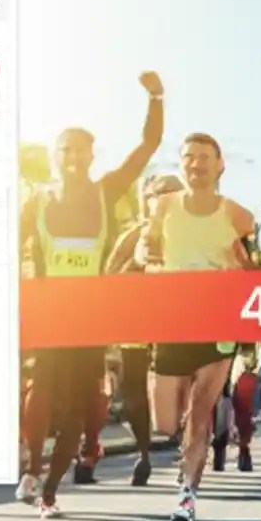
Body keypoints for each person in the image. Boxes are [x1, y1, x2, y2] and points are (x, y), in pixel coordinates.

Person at [16, 71, 164, 517]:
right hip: (48, 312)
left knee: (81, 406)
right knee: (40, 390)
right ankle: (32, 468)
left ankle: (49, 492)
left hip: (88, 317)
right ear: (56, 157)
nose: (73, 157)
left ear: (91, 155)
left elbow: (148, 146)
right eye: (65, 150)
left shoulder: (105, 191)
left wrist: (155, 97)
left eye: (81, 149)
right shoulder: (36, 202)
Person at [136, 132, 258, 521]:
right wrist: (151, 264)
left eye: (204, 157)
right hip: (171, 320)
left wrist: (239, 263)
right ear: (182, 163)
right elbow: (144, 251)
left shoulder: (239, 215)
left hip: (217, 321)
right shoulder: (164, 206)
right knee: (166, 422)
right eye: (189, 157)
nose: (196, 164)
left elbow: (251, 271)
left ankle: (187, 494)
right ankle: (185, 443)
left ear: (220, 164)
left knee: (201, 410)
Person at [104, 173, 186, 486]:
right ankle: (144, 452)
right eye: (158, 193)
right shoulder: (134, 235)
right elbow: (110, 274)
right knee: (133, 394)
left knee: (179, 389)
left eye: (172, 192)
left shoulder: (194, 234)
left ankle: (186, 445)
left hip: (178, 324)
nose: (164, 198)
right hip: (135, 323)